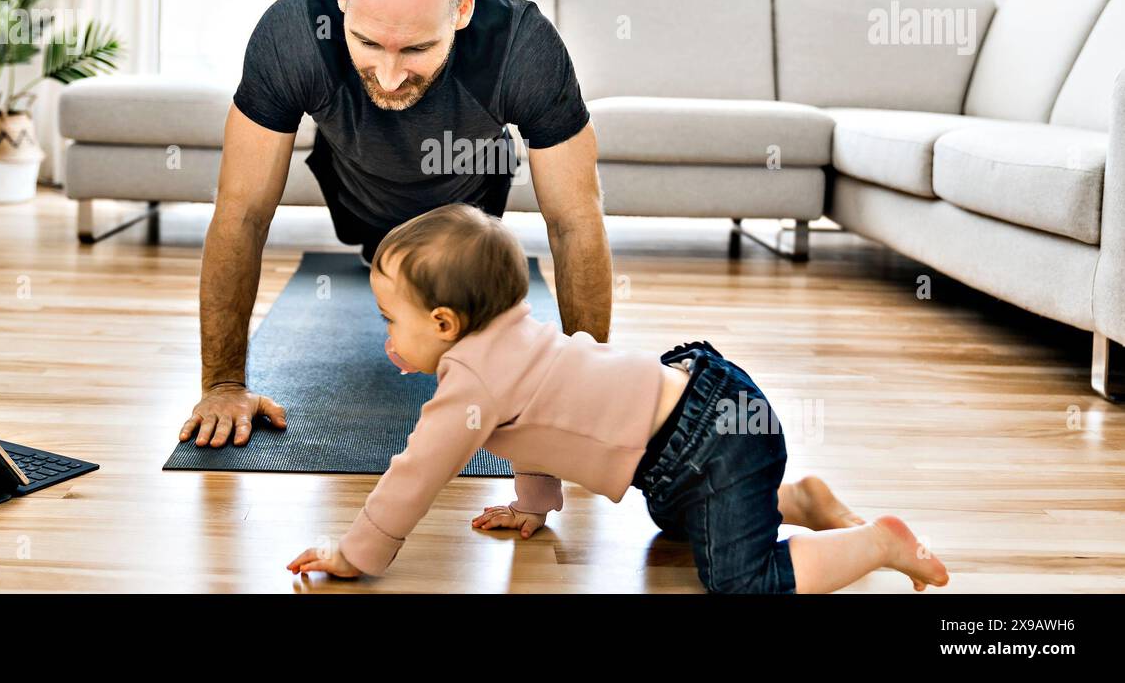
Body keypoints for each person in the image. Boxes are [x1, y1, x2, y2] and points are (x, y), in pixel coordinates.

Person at [286, 203, 950, 594]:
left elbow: (417, 471)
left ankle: (878, 544)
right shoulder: (509, 345)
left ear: (442, 324)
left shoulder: (473, 380)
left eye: (388, 319)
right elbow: (536, 430)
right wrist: (532, 506)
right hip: (700, 417)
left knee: (739, 583)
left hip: (709, 440)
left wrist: (358, 551)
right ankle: (797, 500)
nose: (384, 335)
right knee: (677, 523)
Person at [180, 0, 614, 449]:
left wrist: (587, 390)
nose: (388, 76)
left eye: (417, 48)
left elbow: (576, 219)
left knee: (452, 288)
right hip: (354, 188)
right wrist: (222, 383)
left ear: (462, 11)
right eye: (366, 42)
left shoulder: (521, 46)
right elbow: (240, 214)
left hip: (467, 206)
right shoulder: (292, 33)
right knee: (387, 268)